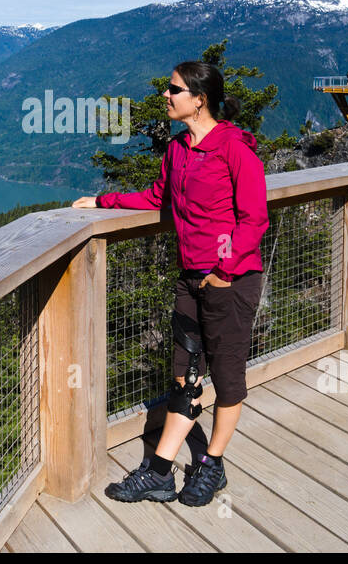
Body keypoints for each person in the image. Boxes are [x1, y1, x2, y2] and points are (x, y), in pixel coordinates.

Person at [71, 61, 269, 507]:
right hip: (190, 280)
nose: (165, 94)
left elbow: (254, 218)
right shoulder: (179, 148)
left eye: (174, 89)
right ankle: (160, 474)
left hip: (230, 282)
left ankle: (212, 465)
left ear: (199, 99)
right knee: (184, 374)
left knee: (227, 376)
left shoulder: (234, 149)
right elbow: (158, 197)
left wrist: (223, 270)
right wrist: (103, 201)